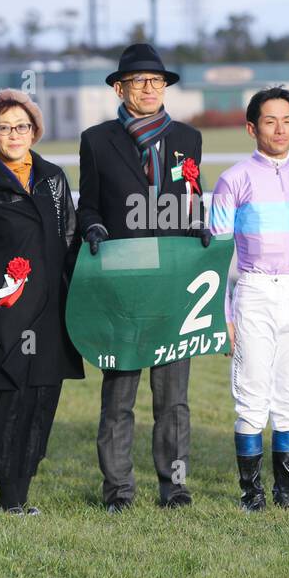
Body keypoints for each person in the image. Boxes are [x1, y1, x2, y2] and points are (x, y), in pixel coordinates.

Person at [77, 42, 212, 511]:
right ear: (120, 87)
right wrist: (91, 225)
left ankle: (174, 487)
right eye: (140, 82)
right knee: (119, 398)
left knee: (173, 399)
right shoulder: (95, 140)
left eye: (158, 81)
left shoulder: (188, 139)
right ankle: (118, 490)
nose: (151, 88)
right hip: (122, 287)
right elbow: (89, 202)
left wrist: (198, 224)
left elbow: (193, 197)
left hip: (174, 286)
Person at [0, 89, 84, 514]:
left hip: (51, 315)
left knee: (40, 404)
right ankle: (11, 500)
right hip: (4, 317)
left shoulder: (54, 179)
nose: (14, 135)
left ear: (35, 131)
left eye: (22, 127)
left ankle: (21, 495)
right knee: (7, 405)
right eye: (4, 128)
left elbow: (70, 242)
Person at [209, 86, 289, 510]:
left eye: (287, 120)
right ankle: (251, 493)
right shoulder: (233, 180)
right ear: (251, 127)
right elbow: (217, 255)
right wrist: (221, 315)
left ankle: (285, 491)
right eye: (269, 121)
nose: (280, 129)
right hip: (254, 292)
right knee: (252, 394)